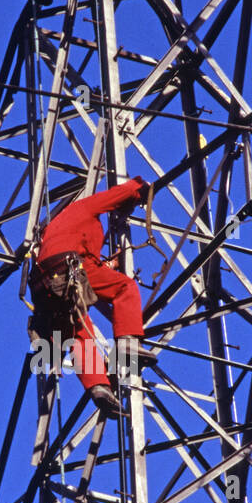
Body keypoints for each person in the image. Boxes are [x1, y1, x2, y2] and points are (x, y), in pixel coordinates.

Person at [30, 177, 153, 416]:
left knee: (77, 329)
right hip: (69, 267)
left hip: (45, 286)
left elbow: (83, 257)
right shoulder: (83, 207)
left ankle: (98, 386)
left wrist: (105, 265)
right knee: (124, 288)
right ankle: (128, 342)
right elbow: (114, 196)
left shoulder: (52, 230)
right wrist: (140, 188)